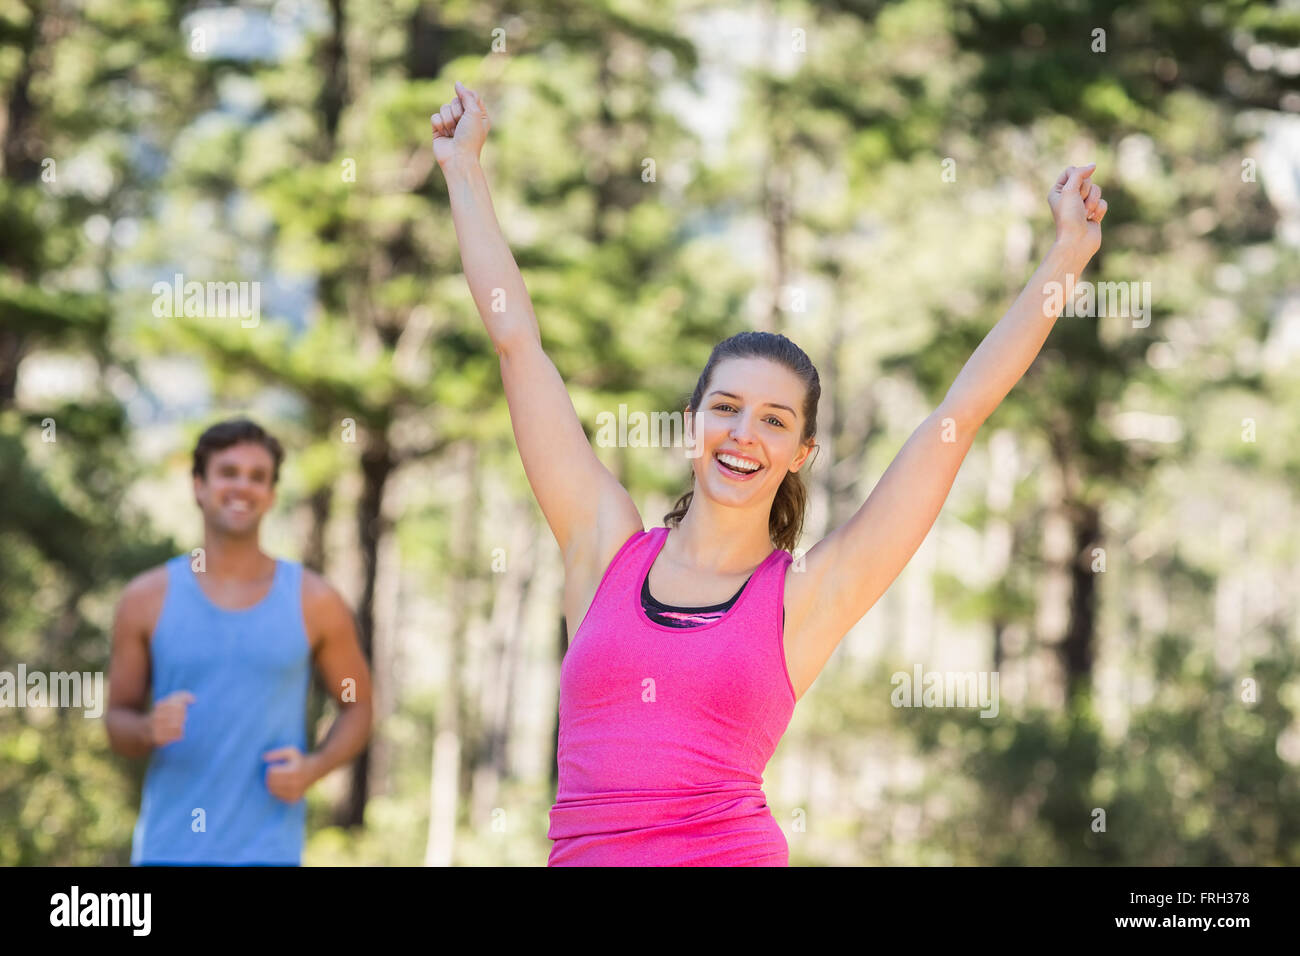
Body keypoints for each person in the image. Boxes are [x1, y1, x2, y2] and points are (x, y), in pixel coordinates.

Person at [431, 81, 1107, 865]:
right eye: (726, 408)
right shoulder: (605, 547)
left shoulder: (803, 596)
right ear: (694, 425)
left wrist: (1066, 257)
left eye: (775, 421)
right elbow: (519, 345)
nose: (743, 435)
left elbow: (958, 418)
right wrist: (463, 170)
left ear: (800, 454)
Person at [105, 418, 373, 865]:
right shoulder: (145, 599)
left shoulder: (315, 601)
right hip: (168, 850)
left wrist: (314, 768)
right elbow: (117, 720)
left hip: (269, 853)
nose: (242, 487)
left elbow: (359, 706)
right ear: (198, 486)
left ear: (270, 494)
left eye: (257, 477)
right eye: (228, 472)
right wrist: (147, 729)